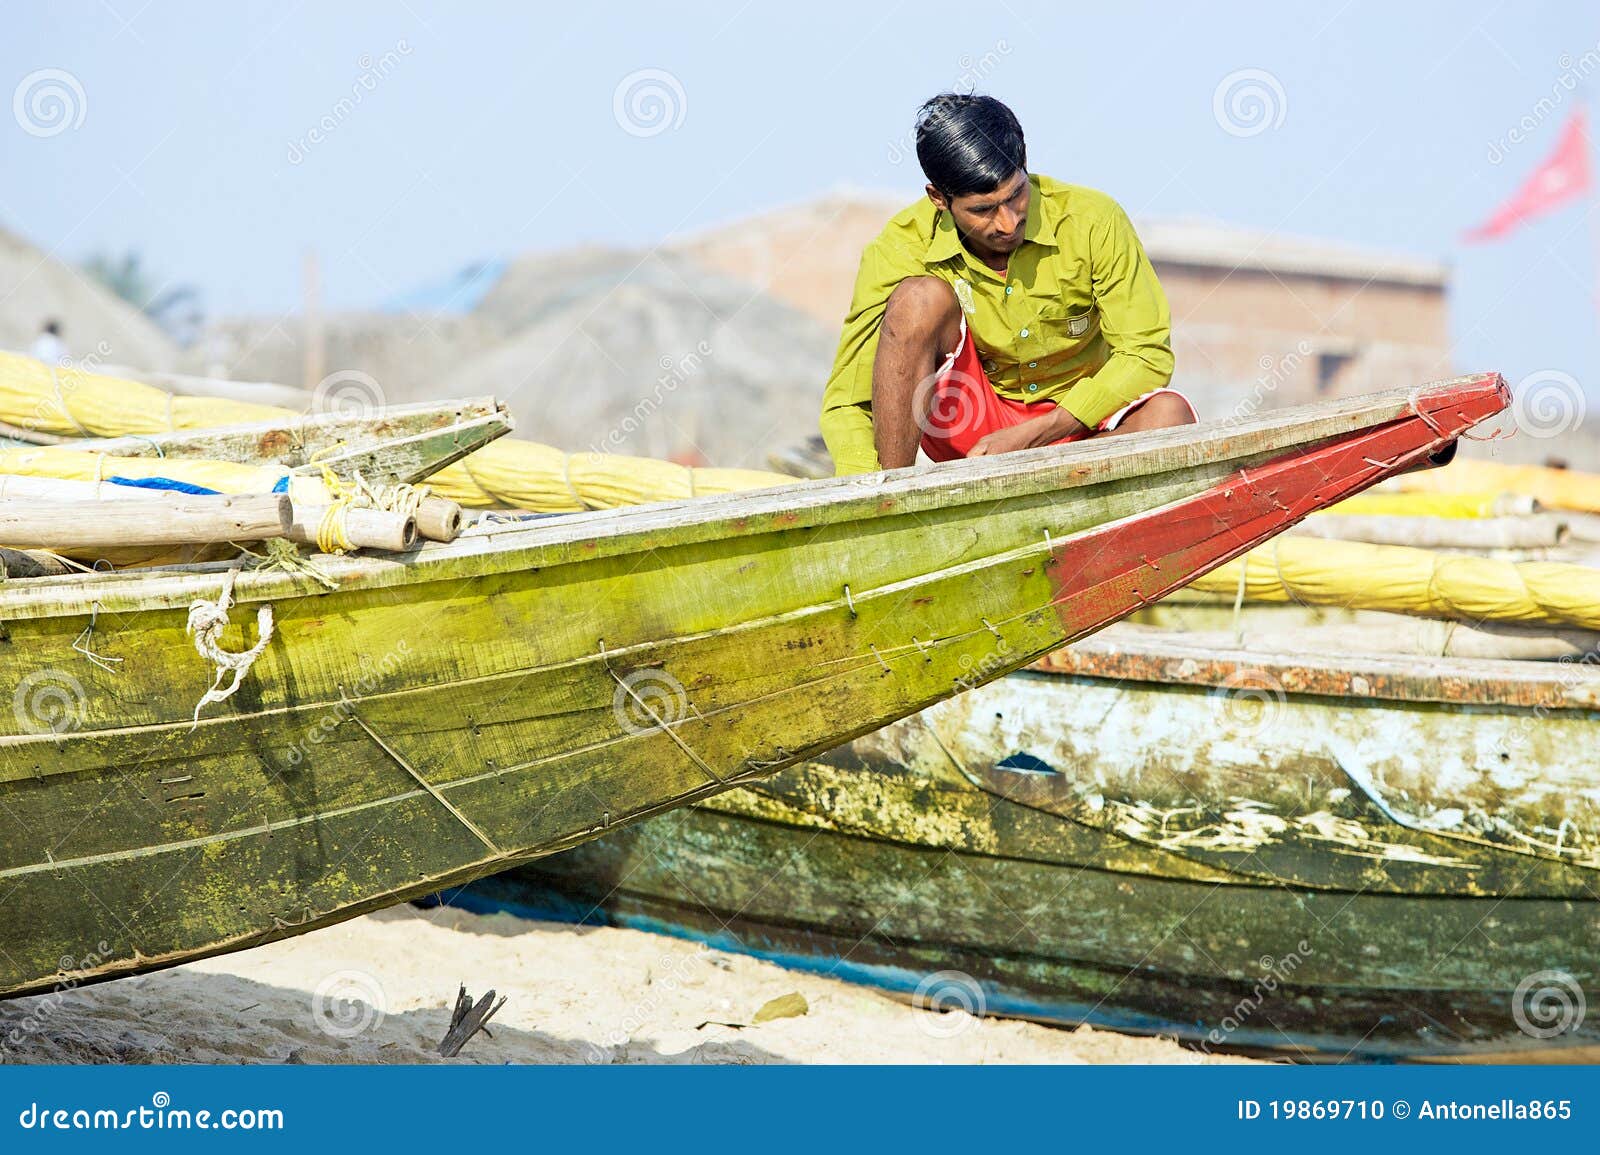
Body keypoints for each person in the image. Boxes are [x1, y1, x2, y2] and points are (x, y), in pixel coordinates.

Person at [819, 93, 1194, 475]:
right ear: (938, 198)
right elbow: (849, 402)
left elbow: (1146, 353)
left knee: (1170, 416)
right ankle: (895, 502)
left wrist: (1038, 434)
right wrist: (866, 492)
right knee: (917, 299)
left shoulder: (1095, 220)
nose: (1008, 223)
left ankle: (1055, 488)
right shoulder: (900, 246)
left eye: (1016, 195)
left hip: (1084, 431)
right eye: (983, 210)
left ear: (1025, 163)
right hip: (971, 436)